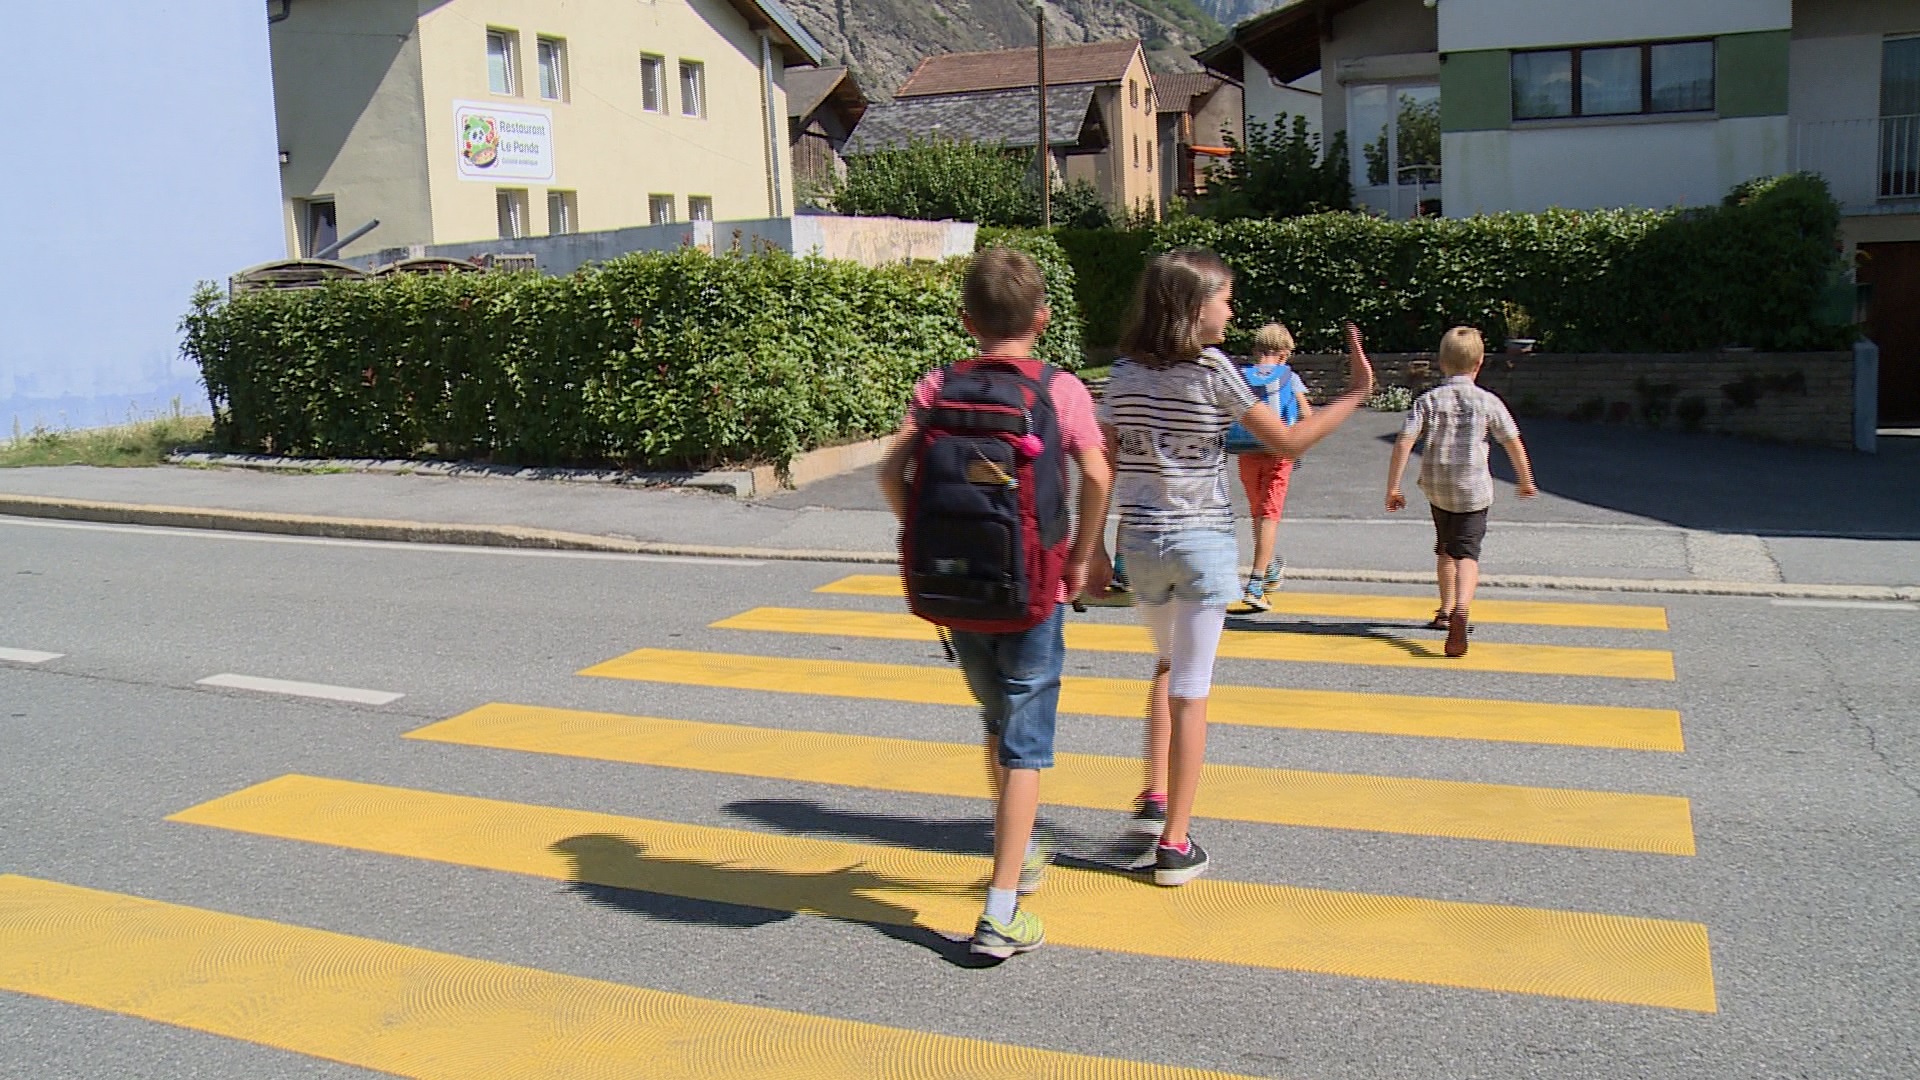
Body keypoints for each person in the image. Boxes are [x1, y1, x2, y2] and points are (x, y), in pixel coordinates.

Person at [1092, 250, 1373, 883]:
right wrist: (1356, 395)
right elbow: (1290, 440)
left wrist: (1095, 549)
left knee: (1166, 667)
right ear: (1194, 308)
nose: (1232, 310)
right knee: (1192, 690)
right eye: (1224, 298)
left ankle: (1157, 789)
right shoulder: (1214, 368)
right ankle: (1175, 844)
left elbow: (1103, 465)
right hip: (1202, 545)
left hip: (1139, 545)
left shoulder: (1123, 373)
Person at [878, 247, 1111, 958]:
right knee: (1028, 745)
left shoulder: (940, 384)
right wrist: (1081, 553)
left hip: (954, 585)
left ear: (966, 320)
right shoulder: (1059, 390)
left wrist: (913, 531)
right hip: (1032, 588)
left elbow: (892, 470)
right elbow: (1096, 473)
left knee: (995, 718)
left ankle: (1024, 850)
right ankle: (1002, 909)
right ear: (1042, 316)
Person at [1385, 326, 1538, 658]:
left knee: (1444, 550)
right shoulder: (1487, 401)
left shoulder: (1427, 401)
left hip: (1438, 489)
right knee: (1467, 554)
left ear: (1441, 363)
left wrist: (1394, 486)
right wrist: (1525, 479)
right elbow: (1511, 440)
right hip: (1473, 491)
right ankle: (1462, 609)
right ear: (1479, 362)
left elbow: (1404, 442)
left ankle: (1444, 609)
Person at [1226, 322, 1313, 612]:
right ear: (1284, 353)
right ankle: (1256, 581)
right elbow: (1305, 413)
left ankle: (1271, 566)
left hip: (1246, 451)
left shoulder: (1241, 376)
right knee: (1270, 514)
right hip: (1278, 451)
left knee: (1257, 511)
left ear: (1256, 350)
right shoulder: (1289, 377)